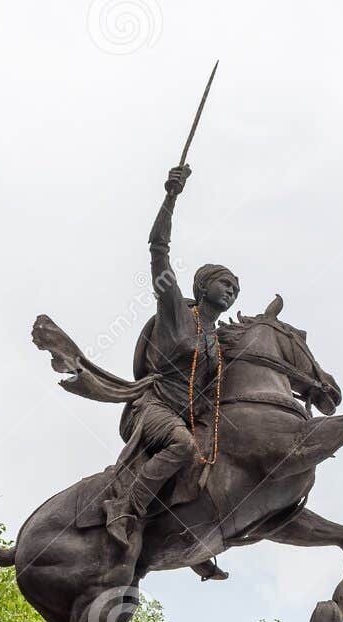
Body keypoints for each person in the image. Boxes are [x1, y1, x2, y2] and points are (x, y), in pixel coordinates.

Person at [100, 163, 241, 556]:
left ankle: (193, 544)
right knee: (181, 448)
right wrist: (171, 197)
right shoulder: (176, 310)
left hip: (185, 417)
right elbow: (158, 249)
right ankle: (123, 509)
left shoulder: (219, 342)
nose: (230, 291)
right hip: (153, 408)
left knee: (214, 467)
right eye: (224, 282)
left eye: (235, 288)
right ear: (203, 285)